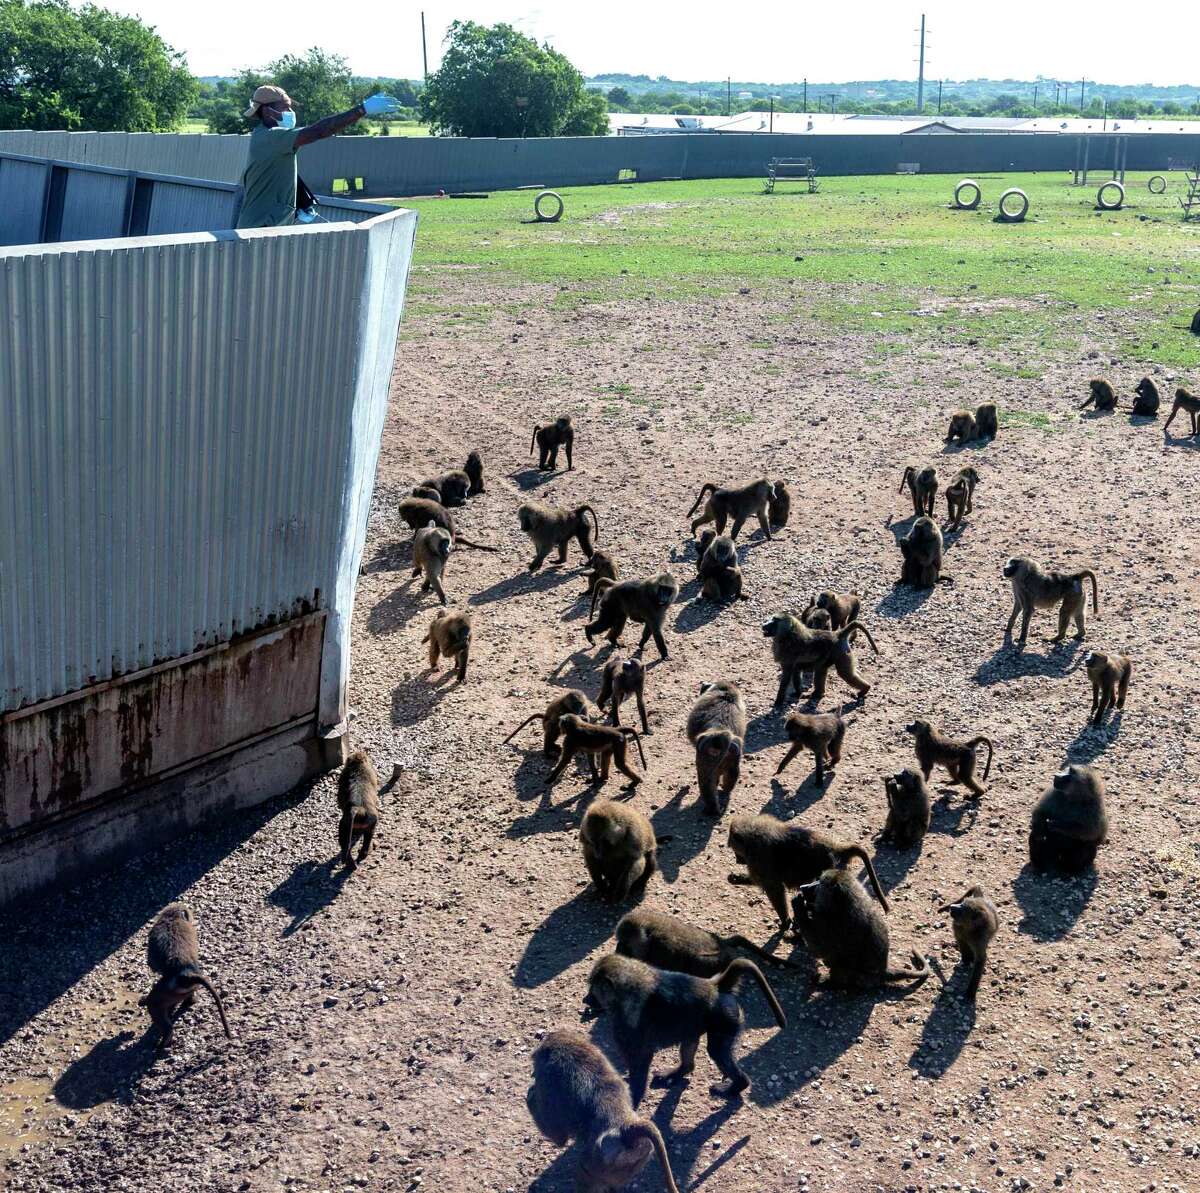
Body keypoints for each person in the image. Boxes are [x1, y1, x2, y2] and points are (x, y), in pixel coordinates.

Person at [236, 85, 400, 229]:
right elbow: (319, 131)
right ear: (266, 111)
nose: (291, 113)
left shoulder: (267, 137)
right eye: (285, 108)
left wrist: (298, 202)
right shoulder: (271, 137)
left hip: (267, 226)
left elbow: (277, 174)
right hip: (258, 230)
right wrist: (361, 110)